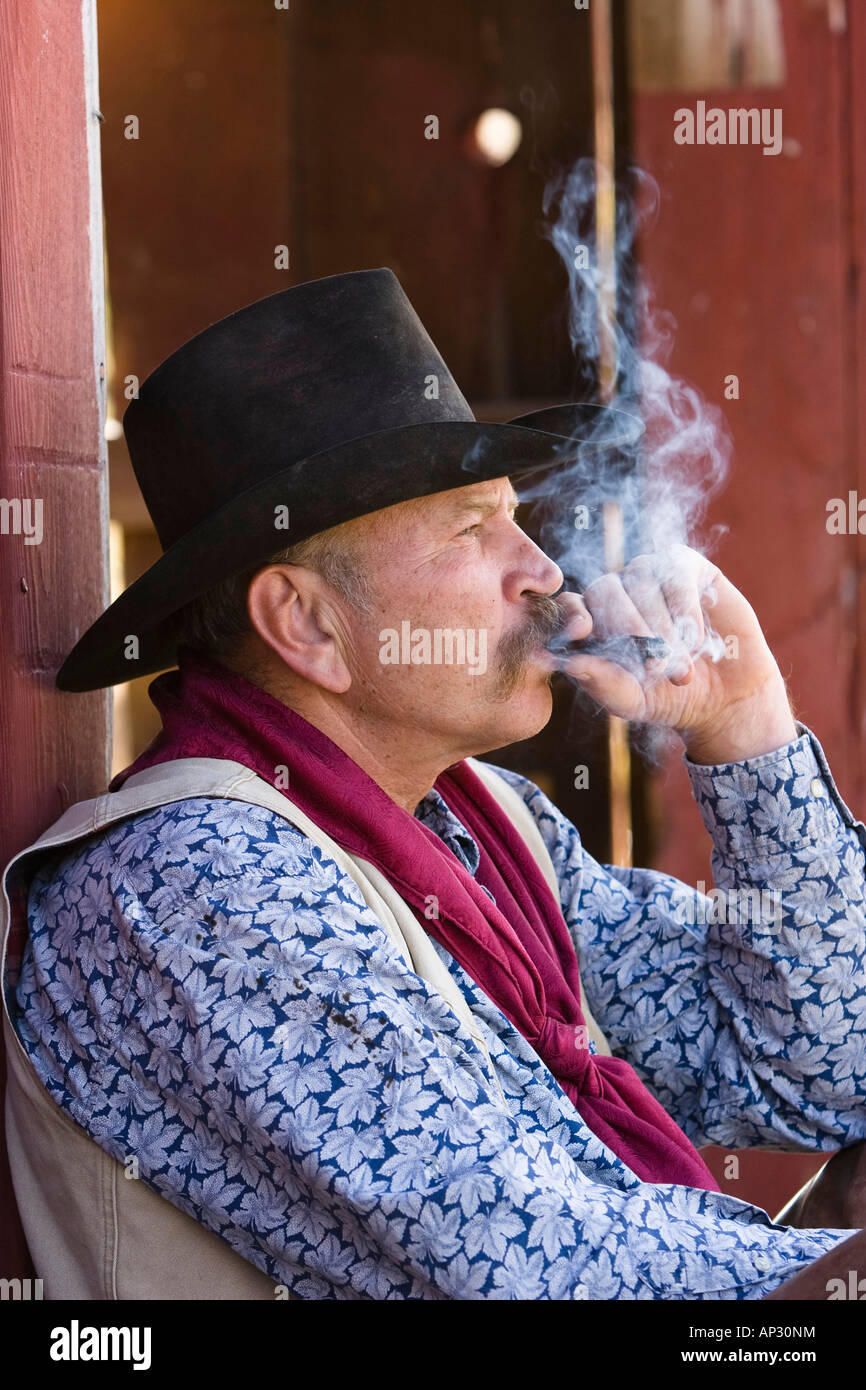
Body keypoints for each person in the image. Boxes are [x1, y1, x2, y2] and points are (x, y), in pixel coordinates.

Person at [3, 269, 865, 1300]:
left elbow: (819, 1069)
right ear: (308, 624)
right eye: (470, 528)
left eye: (513, 516)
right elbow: (556, 1276)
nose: (540, 567)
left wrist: (746, 730)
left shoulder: (482, 825)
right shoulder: (194, 885)